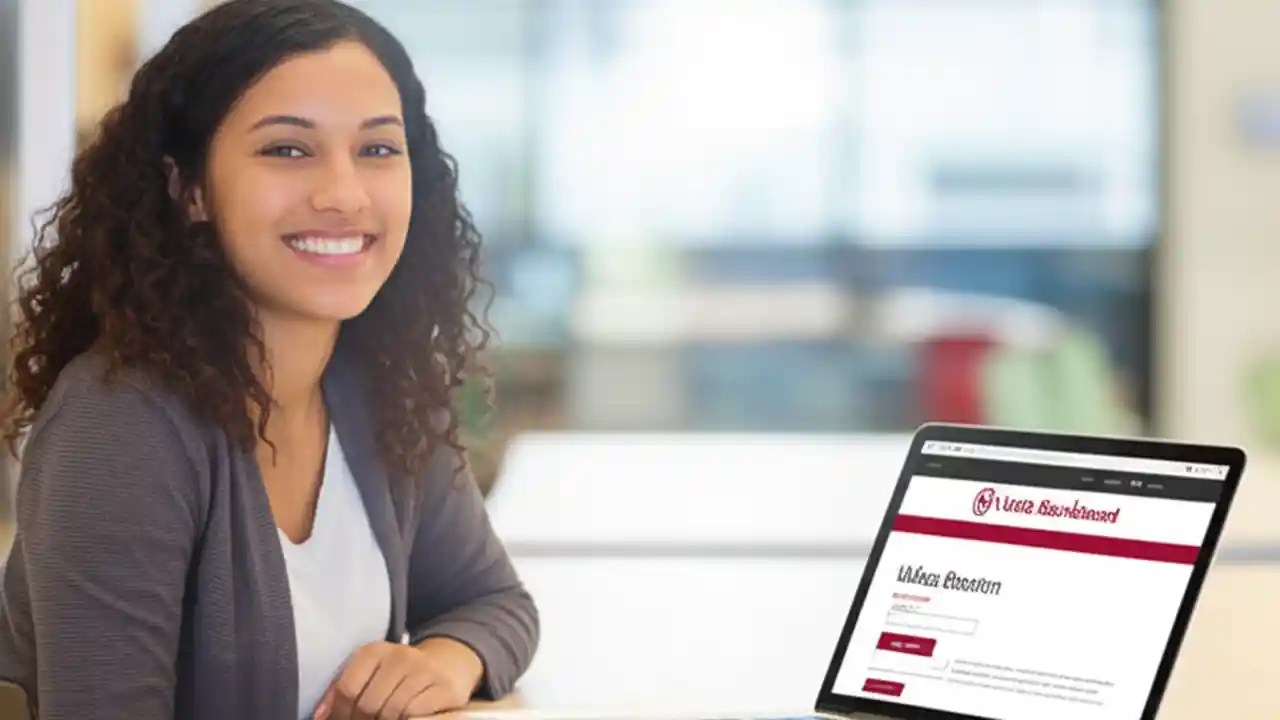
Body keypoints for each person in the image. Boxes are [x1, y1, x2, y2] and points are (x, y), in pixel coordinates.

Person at [0, 1, 538, 718]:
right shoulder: (120, 425)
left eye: (377, 149)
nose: (343, 194)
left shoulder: (378, 381)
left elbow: (493, 601)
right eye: (287, 149)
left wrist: (444, 660)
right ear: (187, 189)